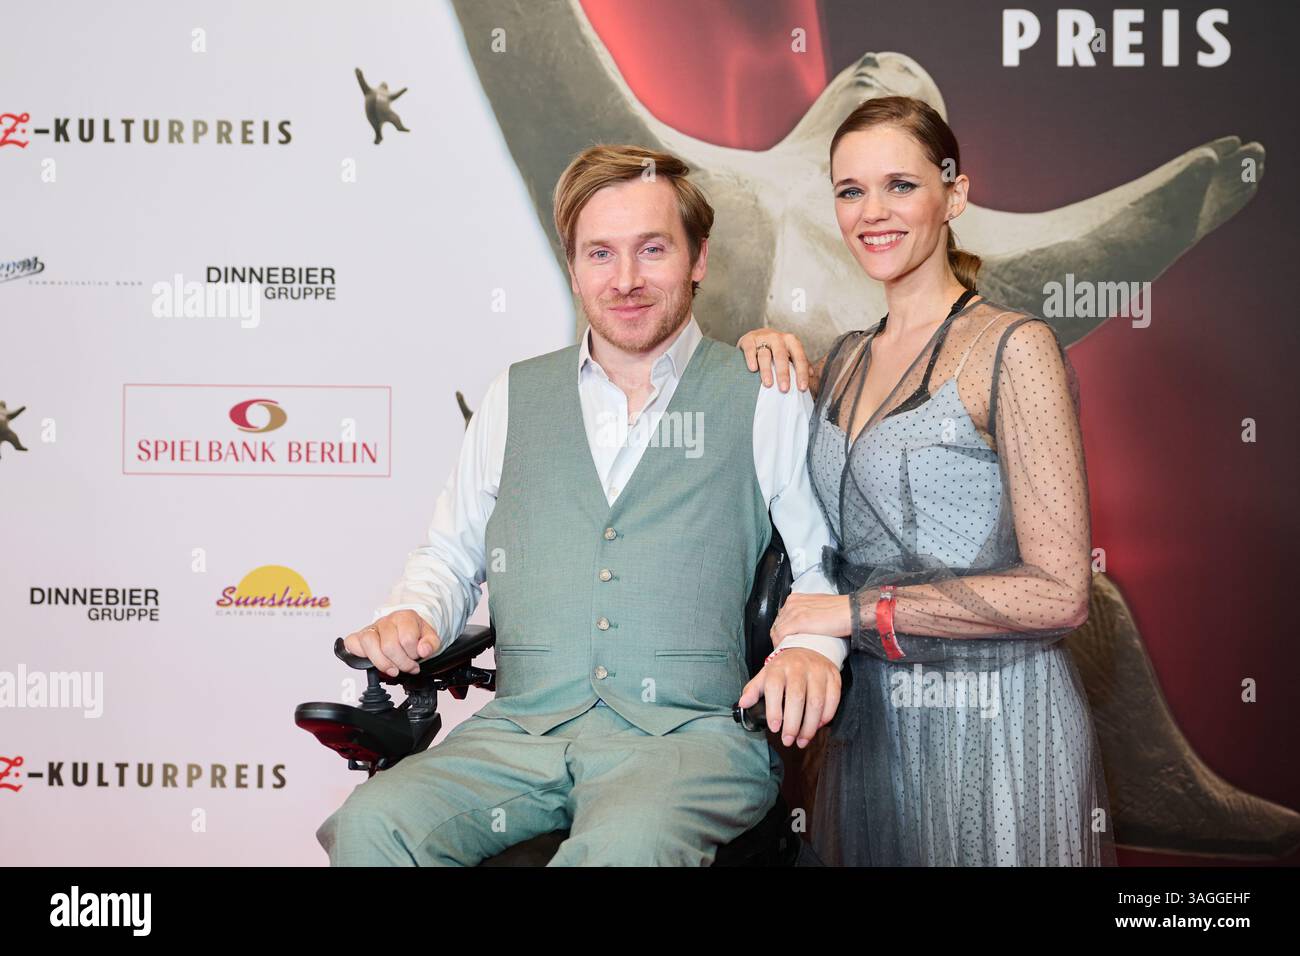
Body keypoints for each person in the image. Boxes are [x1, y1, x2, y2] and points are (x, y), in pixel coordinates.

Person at [316, 144, 847, 866]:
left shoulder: (763, 394)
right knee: (371, 827)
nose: (625, 280)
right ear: (572, 267)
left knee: (621, 853)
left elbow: (820, 569)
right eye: (600, 254)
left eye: (652, 250)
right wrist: (412, 614)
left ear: (698, 259)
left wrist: (810, 653)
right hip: (520, 732)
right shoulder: (513, 396)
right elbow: (446, 557)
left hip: (687, 741)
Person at [736, 96, 1116, 865]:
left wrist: (852, 610)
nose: (872, 212)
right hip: (870, 729)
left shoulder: (1017, 347)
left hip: (1000, 728)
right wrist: (753, 348)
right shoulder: (838, 358)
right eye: (850, 191)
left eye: (900, 186)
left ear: (957, 195)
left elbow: (1058, 592)